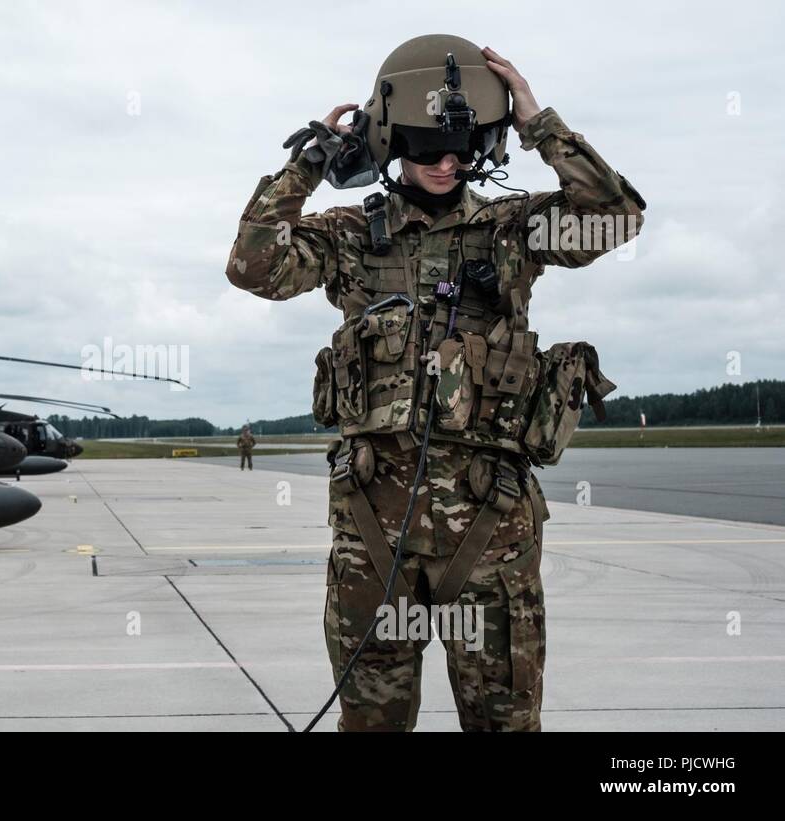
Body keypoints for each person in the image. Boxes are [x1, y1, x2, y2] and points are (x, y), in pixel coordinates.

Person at [225, 35, 644, 731]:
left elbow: (618, 217)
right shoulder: (352, 235)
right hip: (373, 533)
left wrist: (538, 123)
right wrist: (308, 164)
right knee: (372, 723)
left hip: (488, 530)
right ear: (393, 147)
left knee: (504, 722)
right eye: (426, 149)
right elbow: (251, 264)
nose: (446, 164)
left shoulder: (513, 229)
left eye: (460, 147)